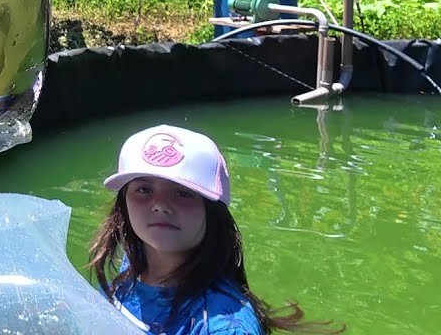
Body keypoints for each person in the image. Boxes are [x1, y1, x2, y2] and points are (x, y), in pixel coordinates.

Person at [86, 124, 344, 335]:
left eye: (182, 193)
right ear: (124, 204)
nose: (160, 205)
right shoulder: (133, 266)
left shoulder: (223, 326)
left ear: (212, 212)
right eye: (144, 190)